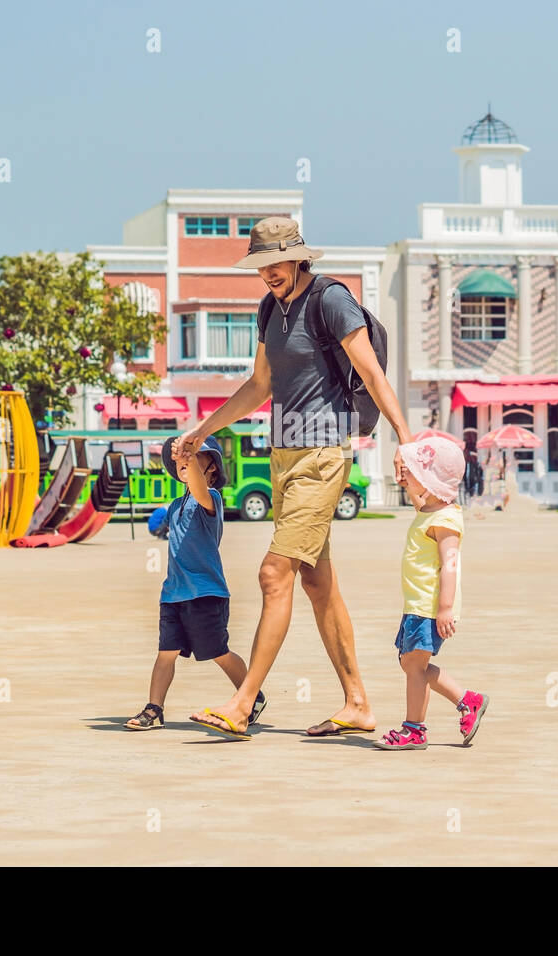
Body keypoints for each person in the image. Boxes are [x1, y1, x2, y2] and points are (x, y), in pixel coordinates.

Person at [176, 216, 414, 738]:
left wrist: (405, 437)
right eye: (260, 266)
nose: (267, 274)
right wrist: (201, 429)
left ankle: (240, 705)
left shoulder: (331, 300)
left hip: (324, 454)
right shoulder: (269, 308)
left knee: (273, 573)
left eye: (275, 264)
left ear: (298, 257)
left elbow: (371, 371)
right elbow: (259, 385)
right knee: (317, 581)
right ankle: (358, 704)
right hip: (283, 457)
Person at [124, 436, 267, 732]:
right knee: (166, 653)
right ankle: (154, 709)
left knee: (217, 651)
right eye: (180, 459)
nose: (184, 462)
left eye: (194, 457)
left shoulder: (210, 498)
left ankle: (251, 695)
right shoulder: (175, 505)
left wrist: (188, 460)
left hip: (206, 592)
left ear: (211, 467)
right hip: (173, 594)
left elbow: (198, 489)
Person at [375, 436, 489, 750]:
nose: (403, 477)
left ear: (429, 480)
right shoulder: (428, 509)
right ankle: (468, 700)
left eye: (411, 471)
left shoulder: (446, 519)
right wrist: (401, 461)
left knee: (414, 665)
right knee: (412, 664)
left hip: (429, 607)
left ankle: (414, 728)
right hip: (416, 604)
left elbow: (450, 565)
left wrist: (446, 608)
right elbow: (412, 488)